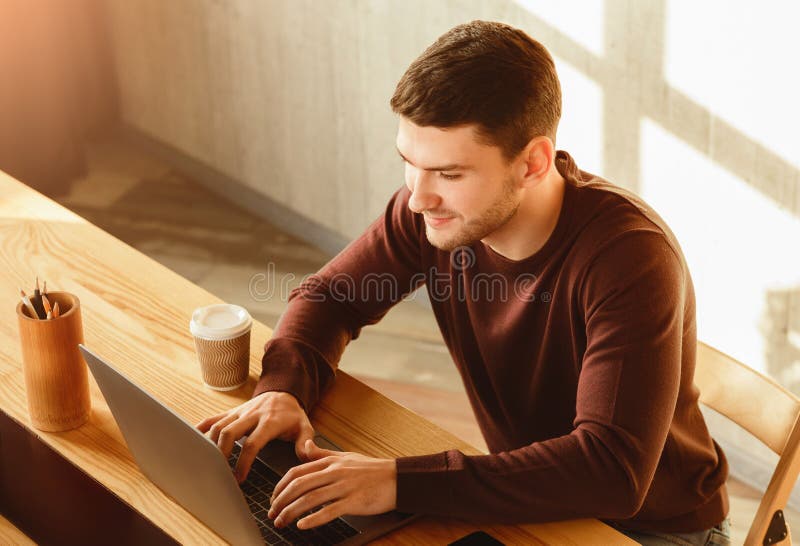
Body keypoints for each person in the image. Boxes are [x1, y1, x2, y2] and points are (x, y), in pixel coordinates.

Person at [197, 20, 731, 545]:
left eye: (449, 174)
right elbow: (331, 297)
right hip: (526, 492)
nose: (417, 198)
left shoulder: (630, 258)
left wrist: (395, 481)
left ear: (533, 163)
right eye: (410, 163)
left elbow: (610, 470)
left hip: (651, 529)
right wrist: (284, 389)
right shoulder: (432, 215)